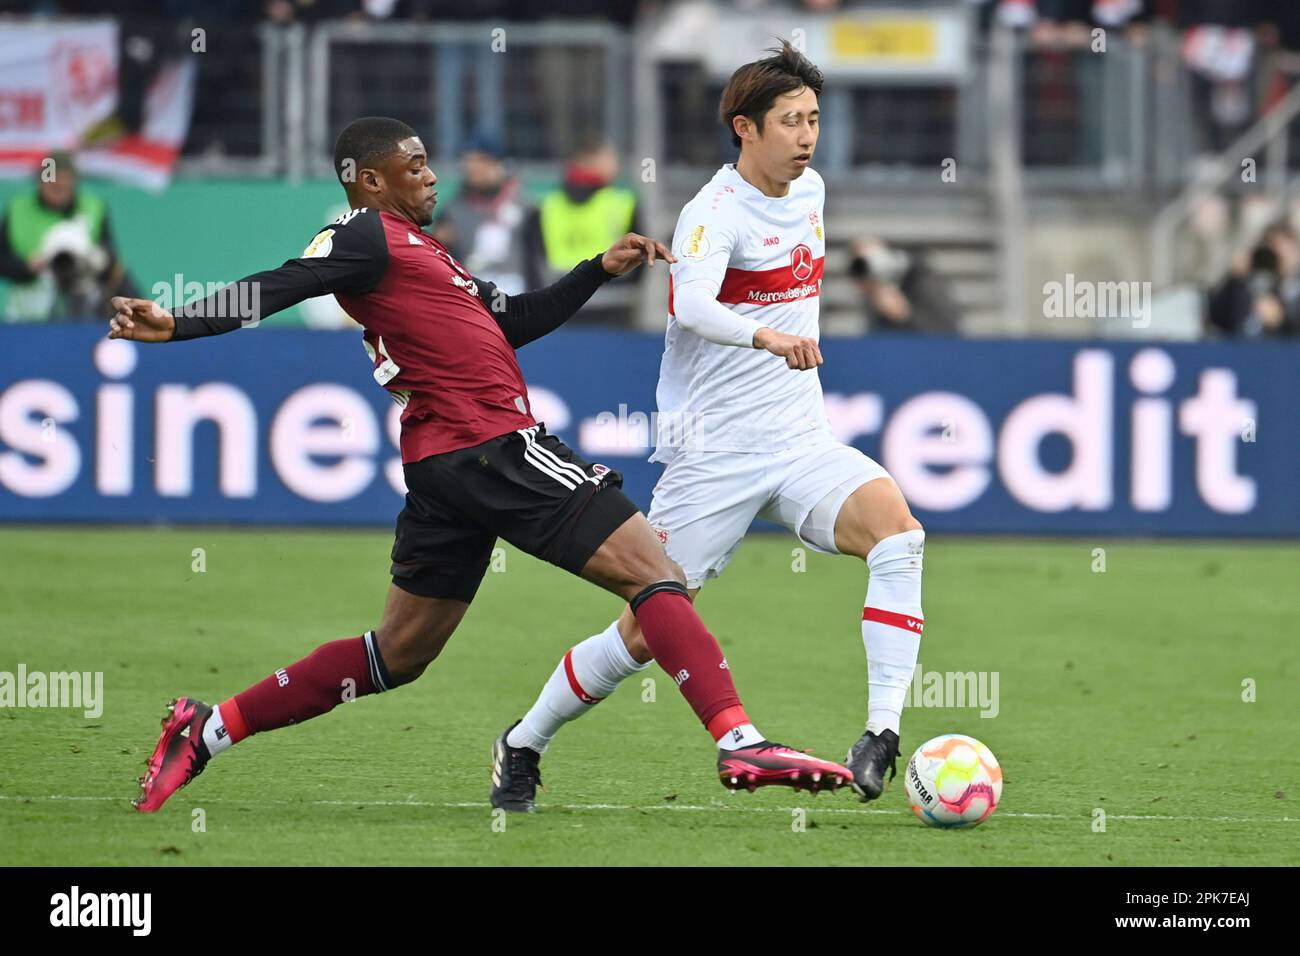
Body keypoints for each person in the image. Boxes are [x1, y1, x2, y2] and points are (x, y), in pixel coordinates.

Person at [110, 116, 851, 814]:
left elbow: (513, 322)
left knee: (396, 654)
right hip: (491, 444)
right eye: (415, 166)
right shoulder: (362, 237)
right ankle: (739, 741)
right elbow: (286, 282)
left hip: (445, 465)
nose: (432, 177)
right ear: (370, 180)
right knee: (656, 573)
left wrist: (597, 268)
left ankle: (204, 731)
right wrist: (179, 323)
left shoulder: (421, 251)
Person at [493, 42, 929, 812]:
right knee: (643, 633)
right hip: (712, 454)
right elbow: (692, 303)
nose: (806, 136)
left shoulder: (813, 189)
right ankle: (524, 741)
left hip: (799, 439)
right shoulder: (712, 212)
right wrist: (767, 336)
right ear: (744, 128)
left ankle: (880, 734)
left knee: (899, 535)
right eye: (790, 121)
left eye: (814, 119)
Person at [0, 152, 138, 322]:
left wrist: (93, 259)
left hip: (82, 306)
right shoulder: (17, 209)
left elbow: (110, 255)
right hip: (29, 309)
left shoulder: (93, 206)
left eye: (65, 184)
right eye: (53, 185)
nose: (60, 190)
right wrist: (27, 267)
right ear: (40, 182)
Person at [524, 139, 639, 325]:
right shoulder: (623, 203)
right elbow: (640, 256)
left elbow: (532, 263)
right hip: (614, 307)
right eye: (609, 158)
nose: (616, 165)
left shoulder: (546, 205)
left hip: (559, 306)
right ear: (590, 160)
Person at [431, 135, 529, 295]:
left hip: (520, 299)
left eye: (482, 161)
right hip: (474, 301)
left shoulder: (525, 207)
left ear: (500, 165)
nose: (473, 168)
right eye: (468, 162)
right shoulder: (452, 211)